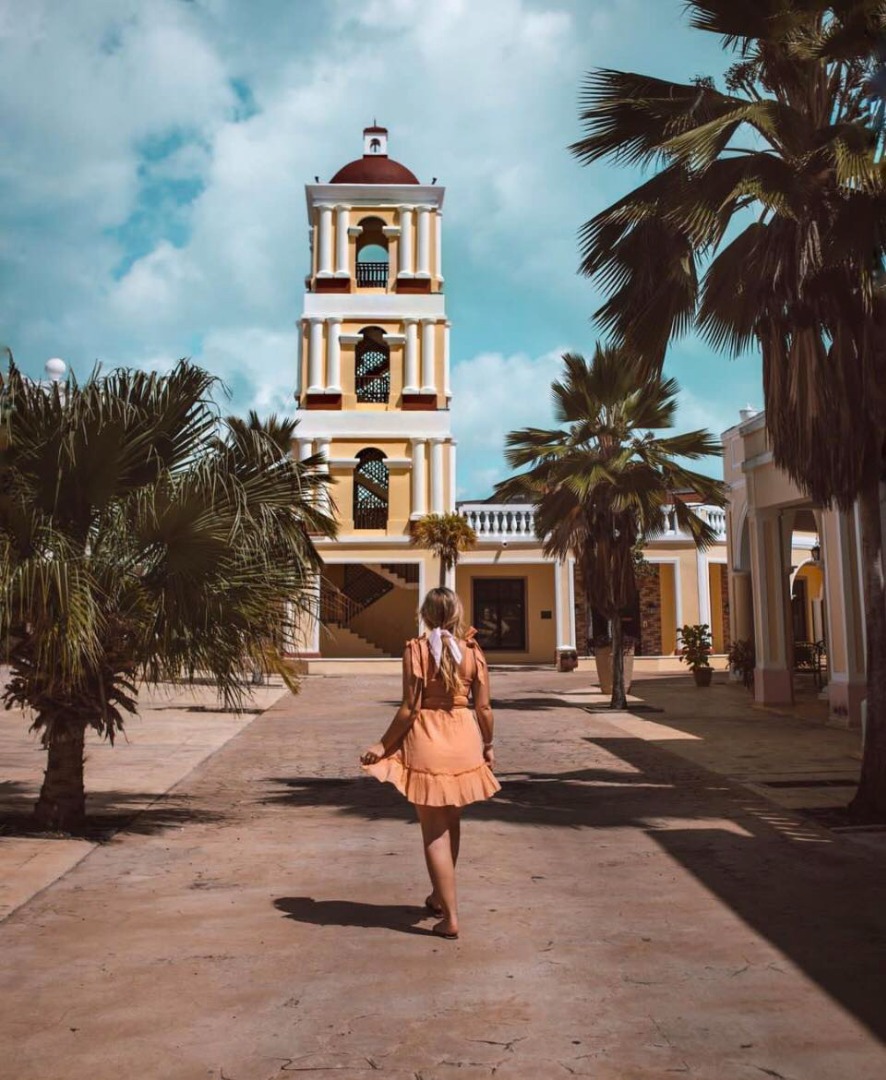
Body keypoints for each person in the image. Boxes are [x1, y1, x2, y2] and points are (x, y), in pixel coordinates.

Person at [360, 587, 500, 940]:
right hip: (463, 737)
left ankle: (450, 916)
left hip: (429, 739)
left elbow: (410, 708)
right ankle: (439, 897)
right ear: (457, 613)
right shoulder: (473, 650)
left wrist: (382, 744)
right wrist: (488, 744)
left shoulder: (417, 650)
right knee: (451, 821)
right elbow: (483, 708)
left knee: (433, 830)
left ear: (425, 614)